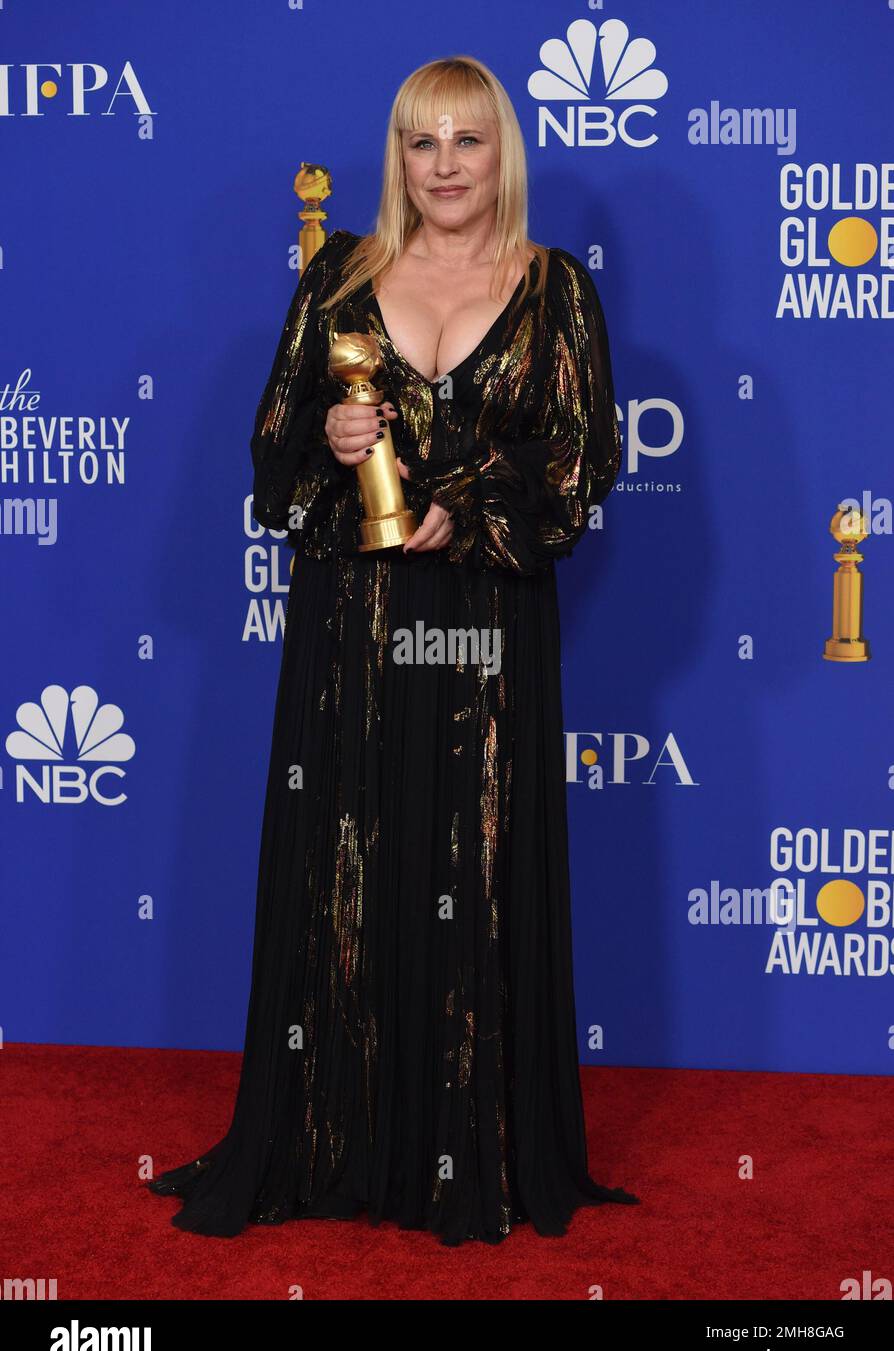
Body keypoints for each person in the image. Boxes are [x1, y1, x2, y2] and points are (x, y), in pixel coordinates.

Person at [148, 54, 638, 1246]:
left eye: (469, 141)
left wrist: (466, 503)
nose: (446, 166)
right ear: (398, 158)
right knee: (349, 869)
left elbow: (582, 467)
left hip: (481, 631)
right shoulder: (338, 283)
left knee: (473, 866)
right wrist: (326, 432)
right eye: (423, 144)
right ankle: (332, 1143)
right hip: (351, 632)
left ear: (501, 154)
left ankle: (474, 1149)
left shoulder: (555, 288)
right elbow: (273, 470)